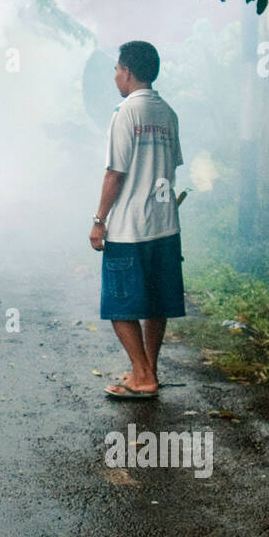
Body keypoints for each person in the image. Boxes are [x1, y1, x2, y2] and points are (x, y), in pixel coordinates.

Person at [89, 40, 184, 398]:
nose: (115, 76)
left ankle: (142, 376)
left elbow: (116, 171)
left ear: (127, 72)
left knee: (120, 304)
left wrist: (99, 219)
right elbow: (170, 167)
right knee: (155, 303)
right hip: (165, 225)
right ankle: (147, 370)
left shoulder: (125, 112)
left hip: (129, 226)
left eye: (116, 69)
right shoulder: (167, 113)